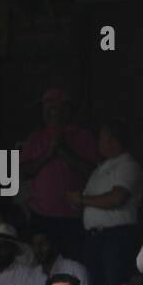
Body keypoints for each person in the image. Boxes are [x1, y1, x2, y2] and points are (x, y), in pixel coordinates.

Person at [19, 88, 98, 258]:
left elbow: (93, 172)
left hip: (72, 217)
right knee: (41, 265)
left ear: (66, 110)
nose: (49, 113)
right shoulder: (36, 137)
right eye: (46, 108)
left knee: (71, 267)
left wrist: (64, 152)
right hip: (41, 216)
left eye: (54, 108)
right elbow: (24, 171)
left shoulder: (82, 136)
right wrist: (48, 155)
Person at [73, 118, 142, 285]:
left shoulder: (128, 165)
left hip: (115, 237)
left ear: (113, 140)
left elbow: (117, 198)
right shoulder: (101, 168)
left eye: (102, 138)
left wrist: (82, 199)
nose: (99, 143)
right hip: (95, 238)